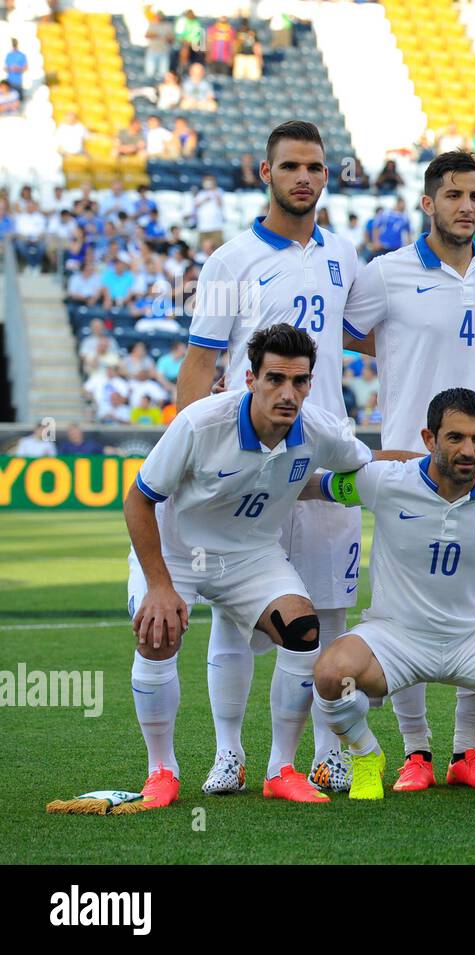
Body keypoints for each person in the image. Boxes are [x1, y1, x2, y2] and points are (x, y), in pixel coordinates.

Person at [176, 121, 365, 797]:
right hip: (248, 462)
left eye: (315, 166)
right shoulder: (230, 259)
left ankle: (321, 753)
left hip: (324, 459)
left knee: (330, 610)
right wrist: (187, 455)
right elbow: (201, 362)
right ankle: (230, 752)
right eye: (291, 166)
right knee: (236, 611)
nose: (305, 177)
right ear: (265, 172)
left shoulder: (344, 254)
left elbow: (378, 329)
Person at [123, 323, 375, 810]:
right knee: (157, 633)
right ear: (250, 379)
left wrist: (441, 466)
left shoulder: (320, 429)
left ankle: (281, 767)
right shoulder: (200, 423)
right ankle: (162, 771)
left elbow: (367, 466)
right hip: (178, 555)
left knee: (304, 630)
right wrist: (158, 584)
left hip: (251, 556)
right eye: (275, 379)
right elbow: (138, 500)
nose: (288, 393)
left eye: (299, 381)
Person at [308, 388, 475, 799]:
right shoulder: (384, 481)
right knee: (331, 676)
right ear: (429, 439)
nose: (469, 450)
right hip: (396, 636)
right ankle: (367, 755)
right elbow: (313, 486)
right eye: (455, 437)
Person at [341, 150, 475, 791]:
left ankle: (467, 751)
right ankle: (416, 751)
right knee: (402, 608)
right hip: (406, 464)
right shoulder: (384, 274)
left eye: (474, 195)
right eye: (452, 195)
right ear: (427, 203)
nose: (465, 206)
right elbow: (349, 333)